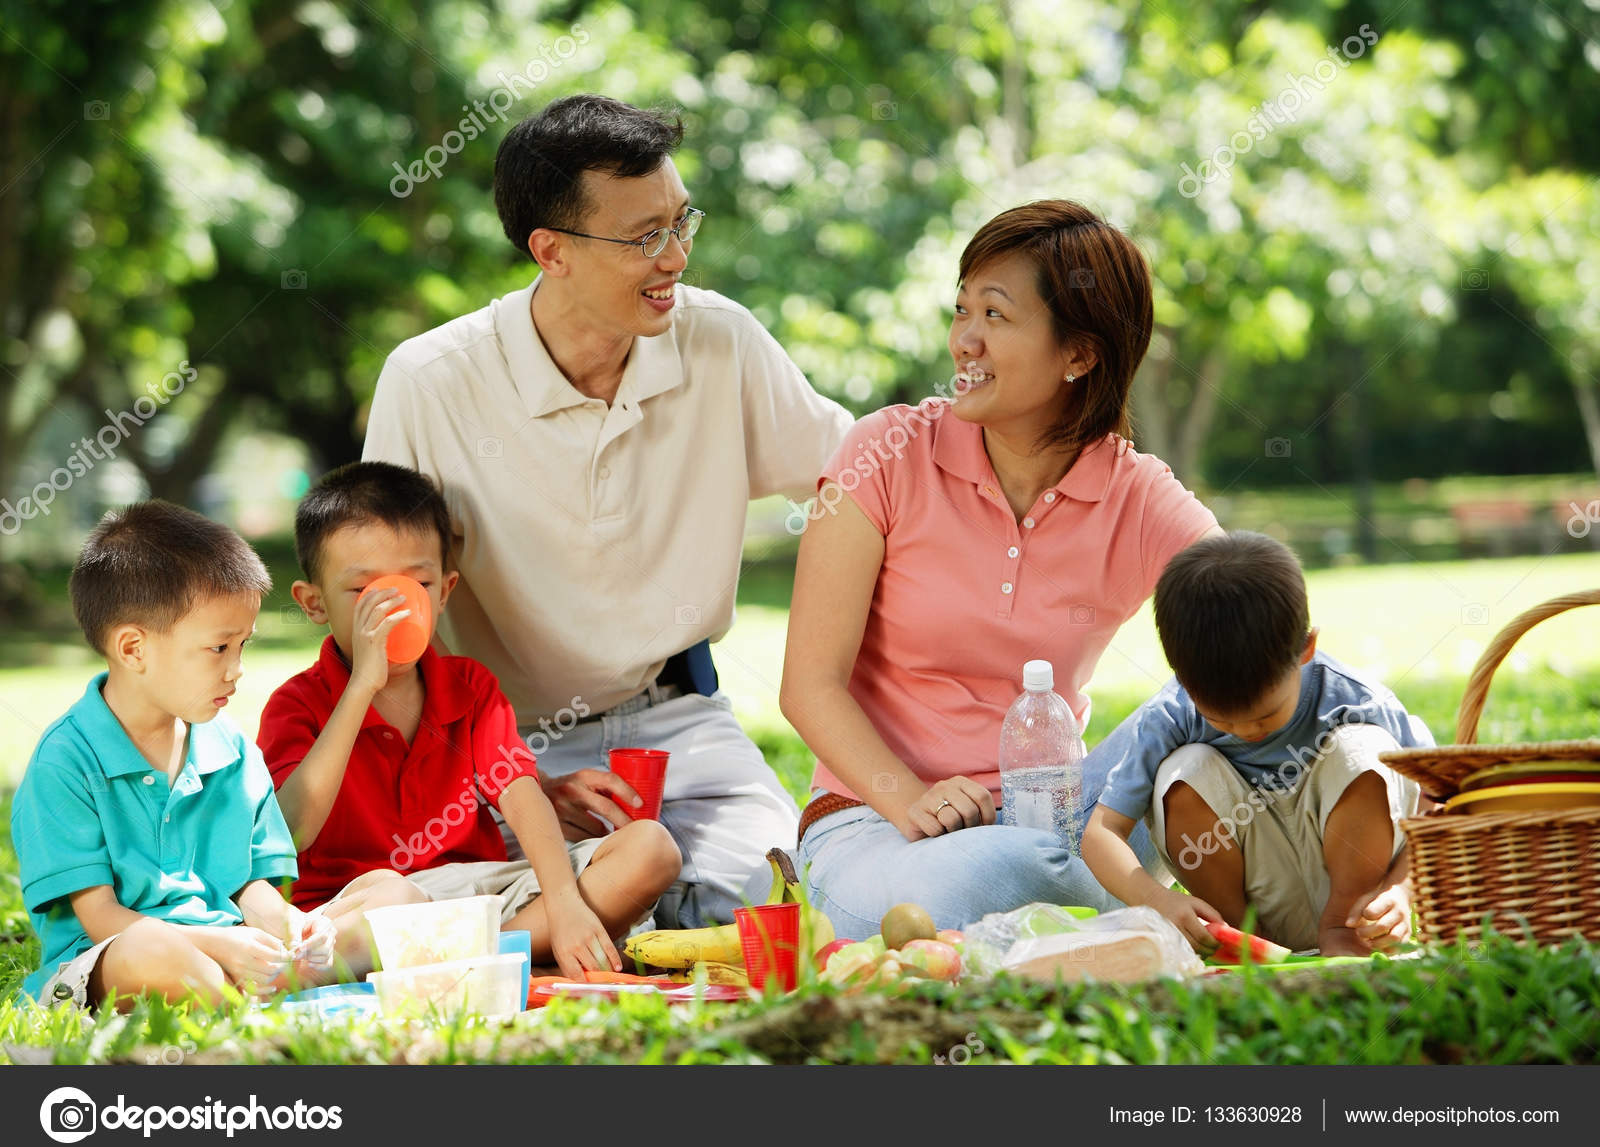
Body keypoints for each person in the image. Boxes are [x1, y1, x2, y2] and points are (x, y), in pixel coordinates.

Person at [362, 94, 852, 928]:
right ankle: (596, 908)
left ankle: (611, 911)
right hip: (501, 746)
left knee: (781, 898)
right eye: (642, 237)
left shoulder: (718, 342)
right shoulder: (430, 380)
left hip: (677, 722)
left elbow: (859, 485)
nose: (676, 257)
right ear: (549, 251)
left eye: (680, 221)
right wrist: (496, 771)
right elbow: (378, 612)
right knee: (460, 897)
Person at [782, 199, 1221, 940]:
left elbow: (1252, 625)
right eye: (961, 311)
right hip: (881, 829)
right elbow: (808, 686)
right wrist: (909, 796)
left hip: (1071, 815)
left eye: (995, 314)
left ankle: (1078, 905)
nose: (965, 341)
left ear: (1079, 355)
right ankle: (1115, 905)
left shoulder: (1135, 493)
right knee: (976, 877)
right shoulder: (883, 453)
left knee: (1205, 731)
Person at [258, 462, 681, 977]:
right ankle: (499, 954)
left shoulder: (470, 688)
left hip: (480, 889)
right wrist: (362, 685)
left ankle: (469, 954)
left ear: (444, 591)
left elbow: (521, 797)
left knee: (651, 849)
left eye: (417, 583)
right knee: (392, 900)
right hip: (367, 902)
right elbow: (293, 832)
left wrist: (565, 902)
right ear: (313, 603)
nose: (394, 609)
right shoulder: (296, 704)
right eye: (364, 591)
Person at [10, 501, 341, 1008]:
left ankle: (284, 986)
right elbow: (101, 920)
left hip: (230, 949)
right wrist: (217, 945)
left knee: (387, 891)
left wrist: (294, 927)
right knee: (153, 952)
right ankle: (264, 1014)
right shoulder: (66, 761)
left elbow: (249, 886)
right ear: (133, 649)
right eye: (219, 648)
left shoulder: (229, 749)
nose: (237, 670)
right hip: (112, 960)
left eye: (243, 646)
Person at [1080, 531, 1432, 956]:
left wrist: (1403, 890)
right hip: (1251, 897)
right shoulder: (1171, 713)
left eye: (1265, 715)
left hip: (1355, 897)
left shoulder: (1355, 698)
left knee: (1361, 749)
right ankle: (1239, 938)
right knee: (1185, 769)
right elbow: (1101, 833)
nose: (1245, 730)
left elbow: (1439, 802)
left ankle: (1342, 930)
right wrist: (1158, 899)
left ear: (1306, 649)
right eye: (1219, 719)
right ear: (1180, 676)